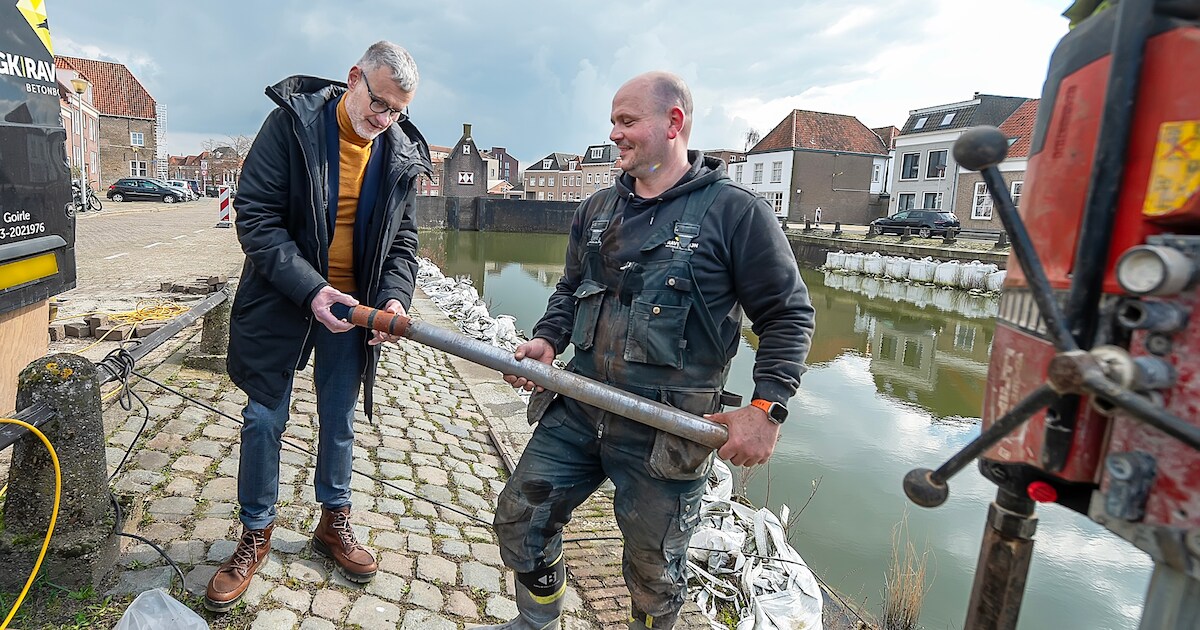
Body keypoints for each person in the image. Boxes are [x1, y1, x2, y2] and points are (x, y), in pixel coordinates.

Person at [485, 72, 815, 630]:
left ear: (674, 123)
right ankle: (538, 619)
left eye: (627, 121)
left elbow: (787, 315)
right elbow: (568, 290)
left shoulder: (736, 214)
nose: (614, 133)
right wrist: (547, 340)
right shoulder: (595, 211)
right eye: (613, 121)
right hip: (580, 403)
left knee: (654, 571)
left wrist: (767, 410)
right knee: (521, 519)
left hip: (668, 427)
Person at [204, 41, 431, 613]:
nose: (384, 121)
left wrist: (395, 299)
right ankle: (255, 532)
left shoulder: (398, 151)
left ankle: (334, 521)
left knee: (339, 419)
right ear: (354, 77)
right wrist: (310, 289)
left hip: (353, 311)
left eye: (398, 112)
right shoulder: (291, 125)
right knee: (263, 416)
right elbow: (256, 218)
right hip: (287, 298)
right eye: (378, 104)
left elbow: (404, 241)